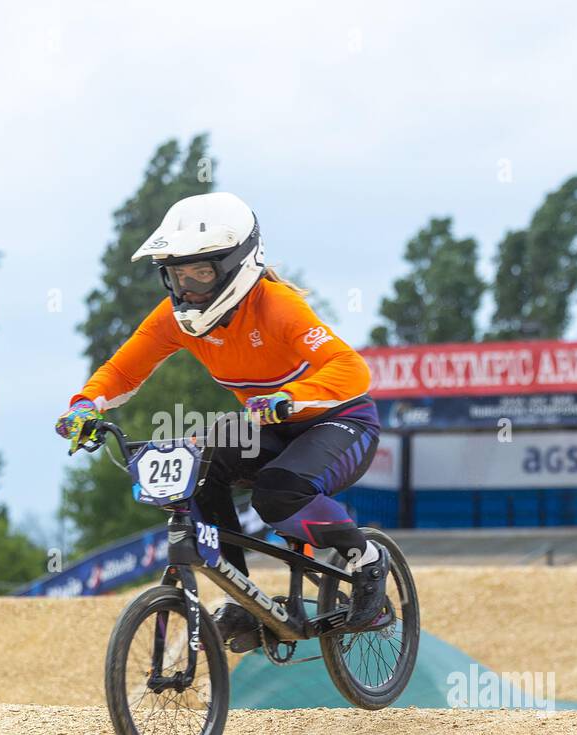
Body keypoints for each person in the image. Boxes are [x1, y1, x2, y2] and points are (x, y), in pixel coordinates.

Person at [54, 192, 387, 651]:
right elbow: (124, 371)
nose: (187, 287)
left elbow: (352, 369)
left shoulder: (276, 306)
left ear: (237, 266)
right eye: (176, 274)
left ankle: (367, 560)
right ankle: (244, 598)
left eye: (201, 273)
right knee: (200, 467)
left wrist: (292, 396)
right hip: (271, 425)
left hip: (340, 421)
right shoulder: (175, 319)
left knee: (277, 494)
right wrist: (85, 406)